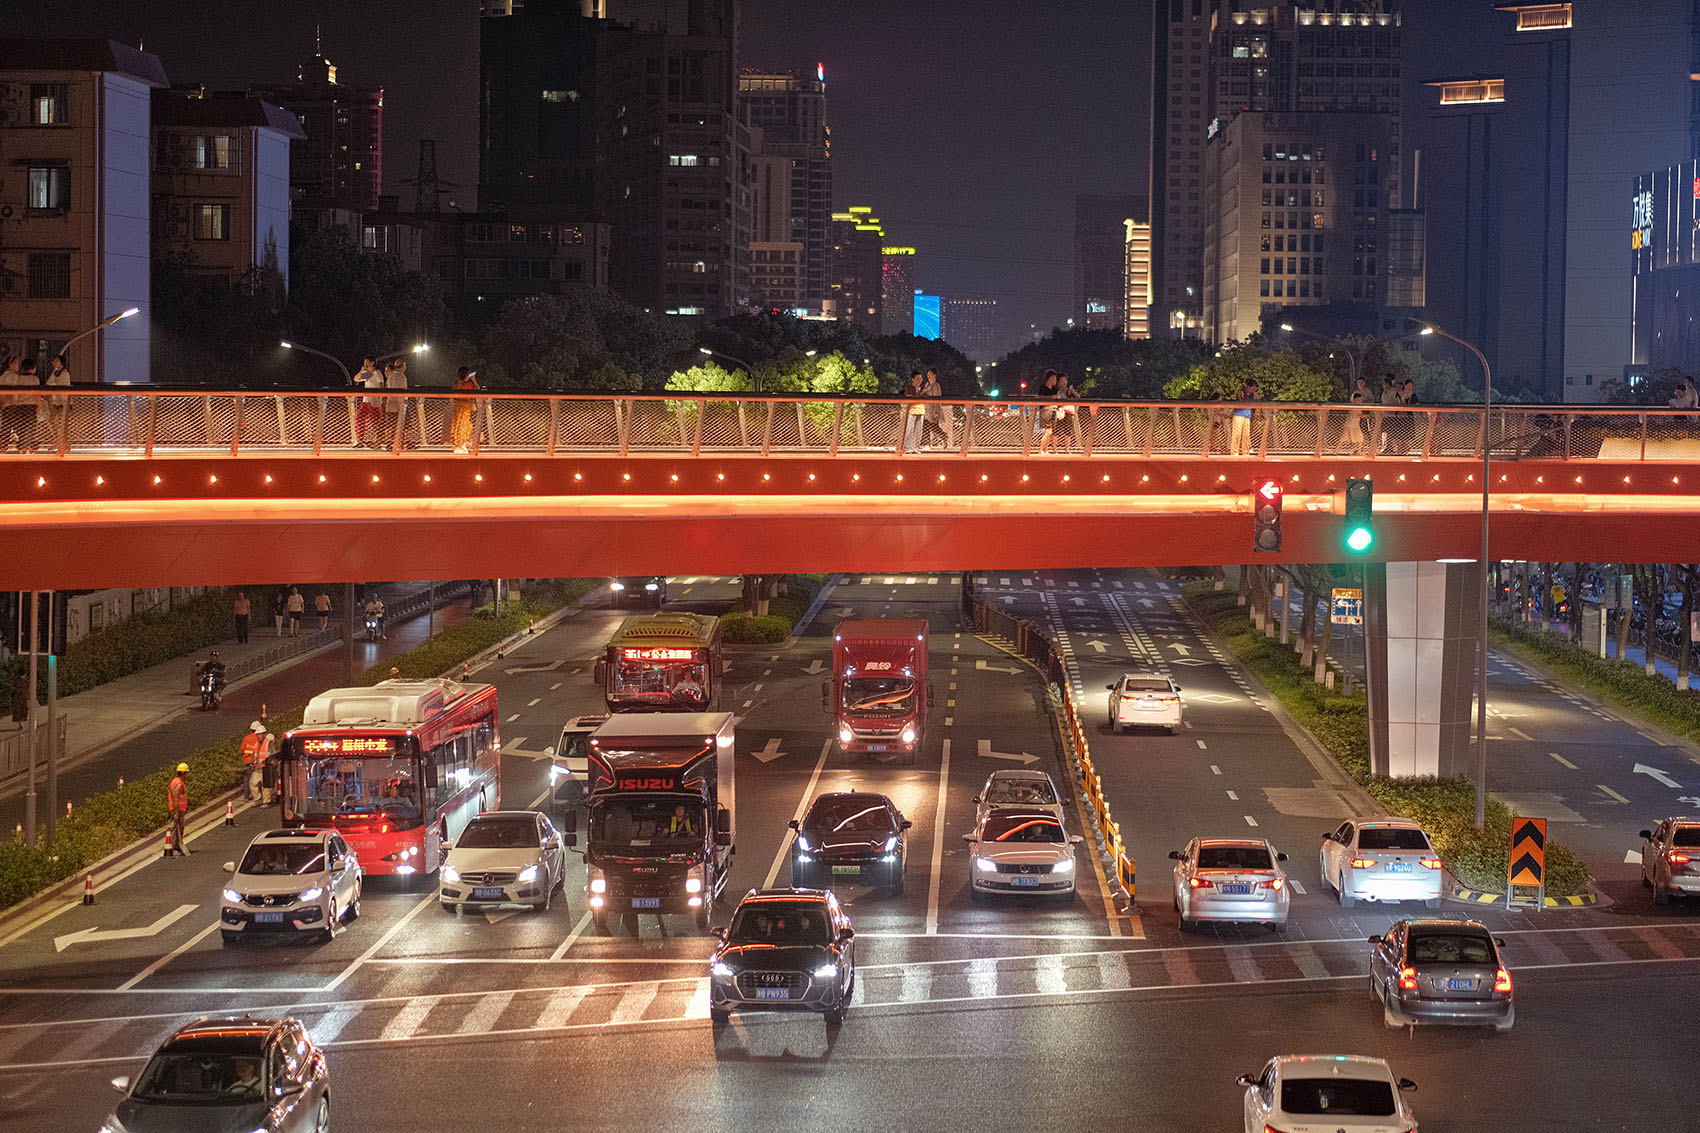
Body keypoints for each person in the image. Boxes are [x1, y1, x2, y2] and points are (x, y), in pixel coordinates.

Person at [0, 355, 38, 454]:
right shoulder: (12, 377)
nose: (18, 365)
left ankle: (21, 446)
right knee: (17, 427)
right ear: (10, 364)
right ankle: (24, 446)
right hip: (12, 405)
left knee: (10, 427)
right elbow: (15, 394)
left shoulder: (5, 376)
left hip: (8, 405)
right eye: (16, 363)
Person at [1335, 376, 1372, 455]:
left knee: (1349, 437)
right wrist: (1365, 416)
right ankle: (1338, 450)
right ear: (1355, 400)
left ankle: (1337, 450)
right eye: (1359, 400)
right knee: (1356, 437)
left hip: (1353, 424)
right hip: (1352, 424)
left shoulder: (1359, 405)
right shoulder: (1353, 406)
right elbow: (1356, 415)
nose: (1360, 401)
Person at [449, 366, 480, 453]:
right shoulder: (468, 385)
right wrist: (474, 380)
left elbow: (452, 397)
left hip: (457, 406)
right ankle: (461, 445)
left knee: (458, 424)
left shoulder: (456, 385)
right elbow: (478, 390)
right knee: (464, 425)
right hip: (466, 406)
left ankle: (457, 444)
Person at [42, 354, 70, 449]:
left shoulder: (64, 373)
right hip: (56, 401)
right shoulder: (56, 372)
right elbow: (49, 382)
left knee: (62, 424)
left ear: (61, 363)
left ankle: (65, 443)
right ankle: (58, 440)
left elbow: (59, 386)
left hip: (64, 402)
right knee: (51, 419)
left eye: (56, 361)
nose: (54, 362)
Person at [921, 367, 953, 450]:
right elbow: (924, 393)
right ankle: (927, 443)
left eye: (930, 374)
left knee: (933, 426)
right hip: (927, 410)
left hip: (933, 410)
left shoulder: (936, 386)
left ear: (934, 375)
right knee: (926, 426)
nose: (928, 376)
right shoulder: (927, 384)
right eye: (927, 374)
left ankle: (943, 436)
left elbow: (937, 399)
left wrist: (936, 412)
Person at [354, 356, 383, 446]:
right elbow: (356, 379)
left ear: (372, 362)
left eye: (367, 362)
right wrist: (361, 370)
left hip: (374, 400)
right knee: (359, 418)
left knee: (374, 421)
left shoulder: (376, 373)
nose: (365, 364)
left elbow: (381, 385)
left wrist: (381, 399)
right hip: (365, 400)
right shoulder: (368, 373)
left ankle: (378, 440)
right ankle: (360, 440)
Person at [241, 720, 272, 803]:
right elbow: (254, 754)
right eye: (257, 734)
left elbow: (272, 755)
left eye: (260, 734)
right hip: (257, 768)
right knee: (252, 783)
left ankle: (266, 801)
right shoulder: (257, 744)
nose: (258, 736)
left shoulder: (269, 743)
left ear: (264, 734)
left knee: (265, 787)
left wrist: (267, 762)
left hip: (266, 769)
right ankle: (257, 799)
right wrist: (252, 763)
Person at [1230, 378, 1260, 455]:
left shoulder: (1252, 394)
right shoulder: (1241, 392)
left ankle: (1245, 452)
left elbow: (1257, 400)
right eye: (1252, 388)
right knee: (1237, 435)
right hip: (1239, 414)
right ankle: (1234, 452)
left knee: (1246, 436)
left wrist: (1255, 395)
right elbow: (1242, 400)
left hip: (1247, 415)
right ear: (1248, 387)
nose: (1253, 390)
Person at [900, 370, 927, 453]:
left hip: (921, 410)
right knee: (909, 430)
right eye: (917, 379)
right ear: (913, 379)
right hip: (911, 411)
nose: (919, 381)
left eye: (921, 379)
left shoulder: (923, 389)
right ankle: (908, 447)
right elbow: (909, 399)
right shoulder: (909, 389)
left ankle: (916, 447)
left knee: (918, 431)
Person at [167, 763, 190, 855]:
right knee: (178, 827)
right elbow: (176, 796)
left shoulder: (174, 781)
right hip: (178, 809)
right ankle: (174, 846)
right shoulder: (179, 784)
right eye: (186, 773)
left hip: (175, 808)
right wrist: (176, 812)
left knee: (178, 827)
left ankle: (175, 845)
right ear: (183, 773)